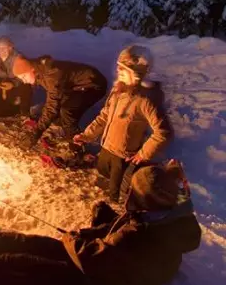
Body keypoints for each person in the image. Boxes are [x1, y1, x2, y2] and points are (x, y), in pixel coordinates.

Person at [0, 163, 201, 285]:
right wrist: (101, 227)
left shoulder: (145, 234)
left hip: (101, 282)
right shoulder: (162, 212)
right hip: (110, 260)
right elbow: (127, 228)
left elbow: (96, 260)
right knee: (36, 243)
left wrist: (75, 239)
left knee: (20, 267)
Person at [73, 45, 173, 202]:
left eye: (123, 68)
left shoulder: (145, 100)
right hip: (107, 146)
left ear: (136, 73)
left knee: (116, 192)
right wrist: (87, 135)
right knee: (102, 170)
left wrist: (143, 154)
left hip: (123, 156)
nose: (118, 71)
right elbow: (105, 115)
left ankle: (116, 211)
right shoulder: (118, 90)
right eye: (118, 67)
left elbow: (163, 132)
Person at [13, 55, 107, 146]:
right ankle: (61, 130)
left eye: (24, 77)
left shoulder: (51, 75)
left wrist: (36, 132)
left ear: (31, 69)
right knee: (59, 105)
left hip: (93, 85)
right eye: (21, 79)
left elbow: (52, 106)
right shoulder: (40, 71)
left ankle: (75, 144)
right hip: (76, 86)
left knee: (67, 110)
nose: (24, 81)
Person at [0, 36, 32, 117]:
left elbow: (26, 77)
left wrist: (13, 83)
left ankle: (24, 112)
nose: (1, 51)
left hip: (15, 88)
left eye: (4, 48)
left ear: (10, 48)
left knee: (26, 87)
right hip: (1, 88)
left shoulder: (18, 59)